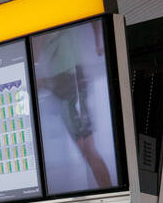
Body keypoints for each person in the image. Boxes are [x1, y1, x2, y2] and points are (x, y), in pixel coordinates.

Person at [34, 20, 112, 189]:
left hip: (70, 80)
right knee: (87, 151)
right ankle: (106, 188)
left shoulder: (60, 27)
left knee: (88, 150)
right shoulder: (47, 37)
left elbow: (96, 20)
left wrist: (99, 41)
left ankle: (108, 189)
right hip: (65, 84)